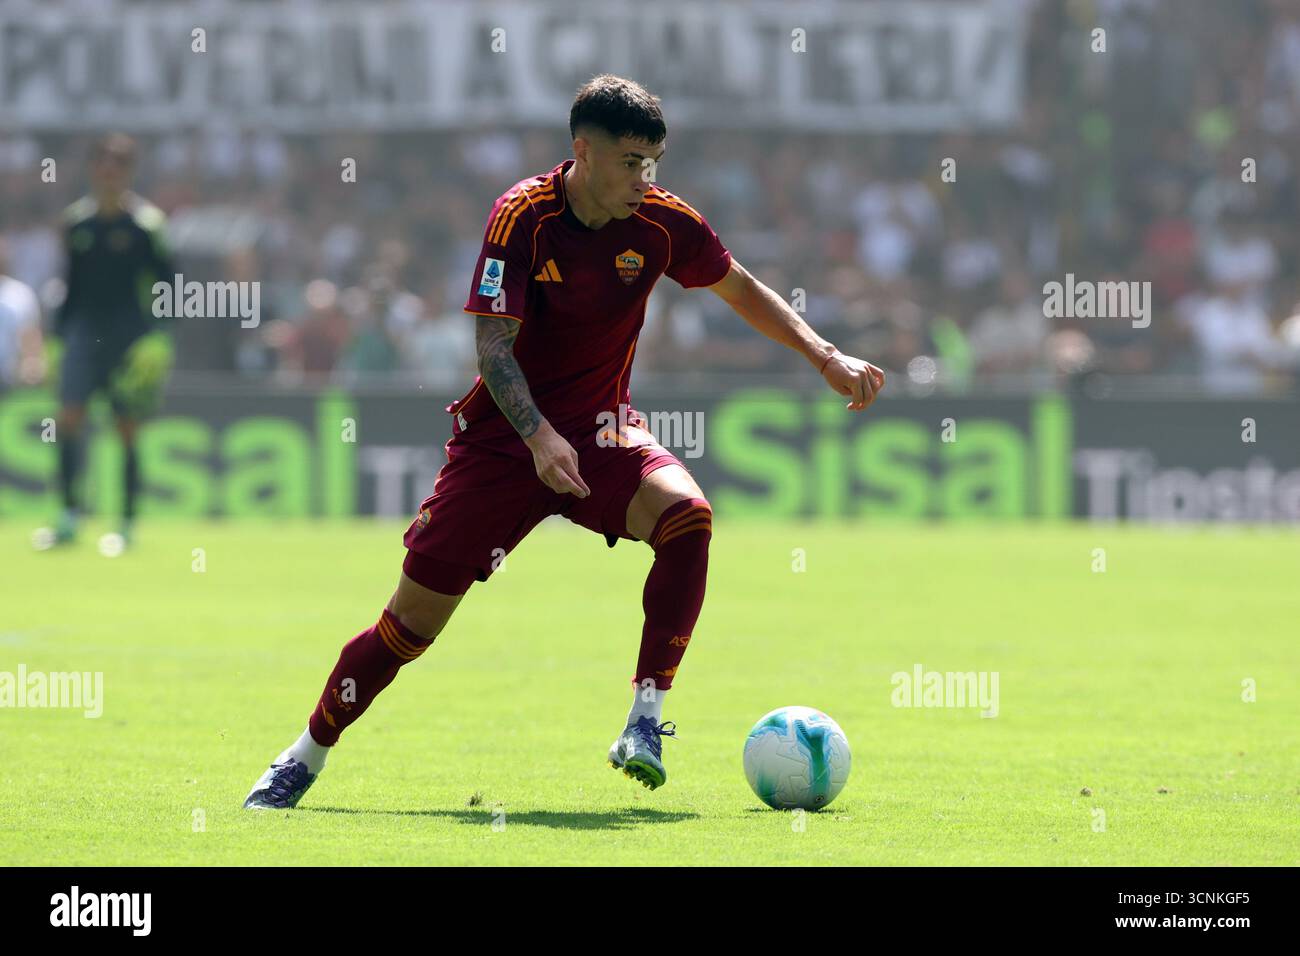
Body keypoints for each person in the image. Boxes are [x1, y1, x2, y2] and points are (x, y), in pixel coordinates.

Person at [244, 75, 885, 809]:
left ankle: (646, 719)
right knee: (408, 629)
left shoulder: (663, 223)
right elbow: (493, 347)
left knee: (689, 519)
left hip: (602, 431)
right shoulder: (523, 218)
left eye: (655, 161)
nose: (646, 179)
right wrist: (539, 436)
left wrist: (826, 355)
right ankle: (303, 756)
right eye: (630, 161)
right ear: (582, 150)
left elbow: (738, 287)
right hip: (501, 446)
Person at [40, 133, 176, 548]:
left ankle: (127, 525)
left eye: (118, 164)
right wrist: (57, 341)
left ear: (128, 171)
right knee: (70, 419)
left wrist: (157, 339)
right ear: (93, 169)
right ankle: (67, 518)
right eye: (103, 163)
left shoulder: (146, 225)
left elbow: (168, 286)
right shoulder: (76, 223)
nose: (109, 171)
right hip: (83, 336)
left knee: (126, 429)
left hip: (128, 339)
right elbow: (71, 287)